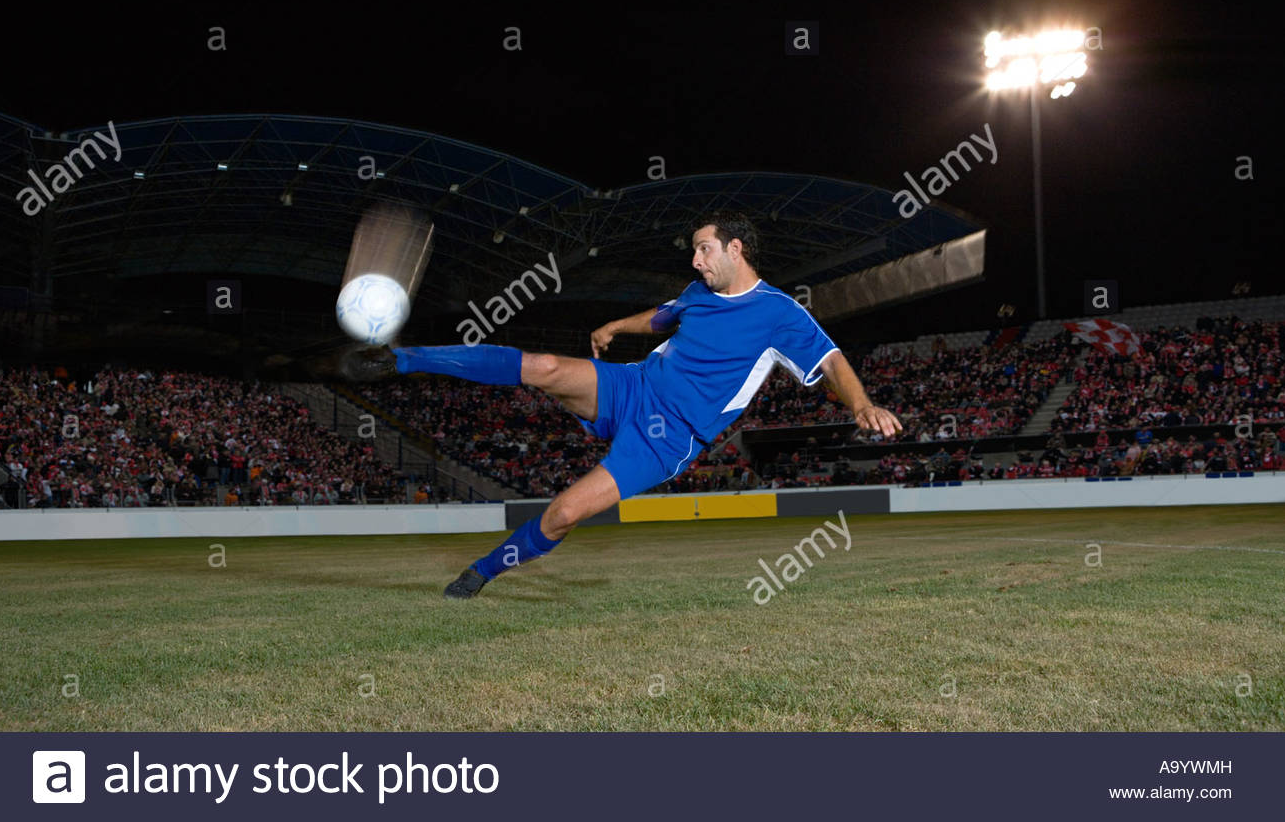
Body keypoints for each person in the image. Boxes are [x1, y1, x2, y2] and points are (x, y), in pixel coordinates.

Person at [362, 213, 903, 599]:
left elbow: (831, 361)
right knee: (545, 367)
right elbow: (663, 317)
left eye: (704, 249)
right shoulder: (697, 292)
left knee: (564, 513)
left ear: (736, 249)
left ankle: (482, 572)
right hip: (634, 385)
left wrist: (862, 405)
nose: (695, 259)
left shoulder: (780, 313)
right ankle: (401, 360)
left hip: (667, 438)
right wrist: (615, 326)